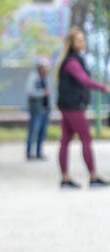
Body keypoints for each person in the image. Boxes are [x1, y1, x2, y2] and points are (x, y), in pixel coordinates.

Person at [55, 27, 110, 188]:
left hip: (67, 105)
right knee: (86, 138)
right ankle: (93, 177)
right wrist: (104, 87)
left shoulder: (73, 60)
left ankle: (65, 179)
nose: (83, 43)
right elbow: (84, 80)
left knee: (65, 140)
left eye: (83, 39)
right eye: (79, 40)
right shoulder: (72, 62)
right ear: (71, 43)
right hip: (73, 106)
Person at [25, 58, 51, 161]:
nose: (46, 69)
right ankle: (29, 152)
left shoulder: (45, 78)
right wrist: (43, 92)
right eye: (44, 67)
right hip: (36, 109)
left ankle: (39, 152)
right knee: (33, 131)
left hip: (45, 109)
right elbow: (30, 92)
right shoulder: (33, 78)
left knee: (42, 132)